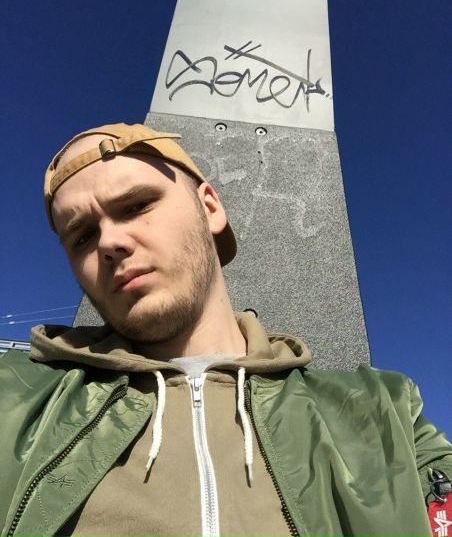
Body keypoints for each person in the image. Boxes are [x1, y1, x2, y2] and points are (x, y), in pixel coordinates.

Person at [1, 122, 450, 537]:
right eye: (82, 235)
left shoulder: (383, 412)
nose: (109, 242)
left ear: (210, 208)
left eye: (136, 206)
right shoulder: (17, 403)